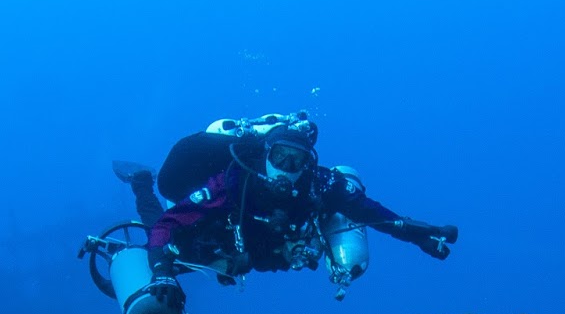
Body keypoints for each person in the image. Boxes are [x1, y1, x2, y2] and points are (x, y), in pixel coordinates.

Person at [113, 112, 458, 285]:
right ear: (265, 155)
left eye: (296, 162)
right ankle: (142, 181)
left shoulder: (319, 185)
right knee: (175, 245)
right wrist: (161, 270)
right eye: (280, 158)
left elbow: (375, 214)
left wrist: (421, 234)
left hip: (265, 250)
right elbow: (168, 223)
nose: (286, 169)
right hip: (225, 235)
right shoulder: (234, 182)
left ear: (308, 165)